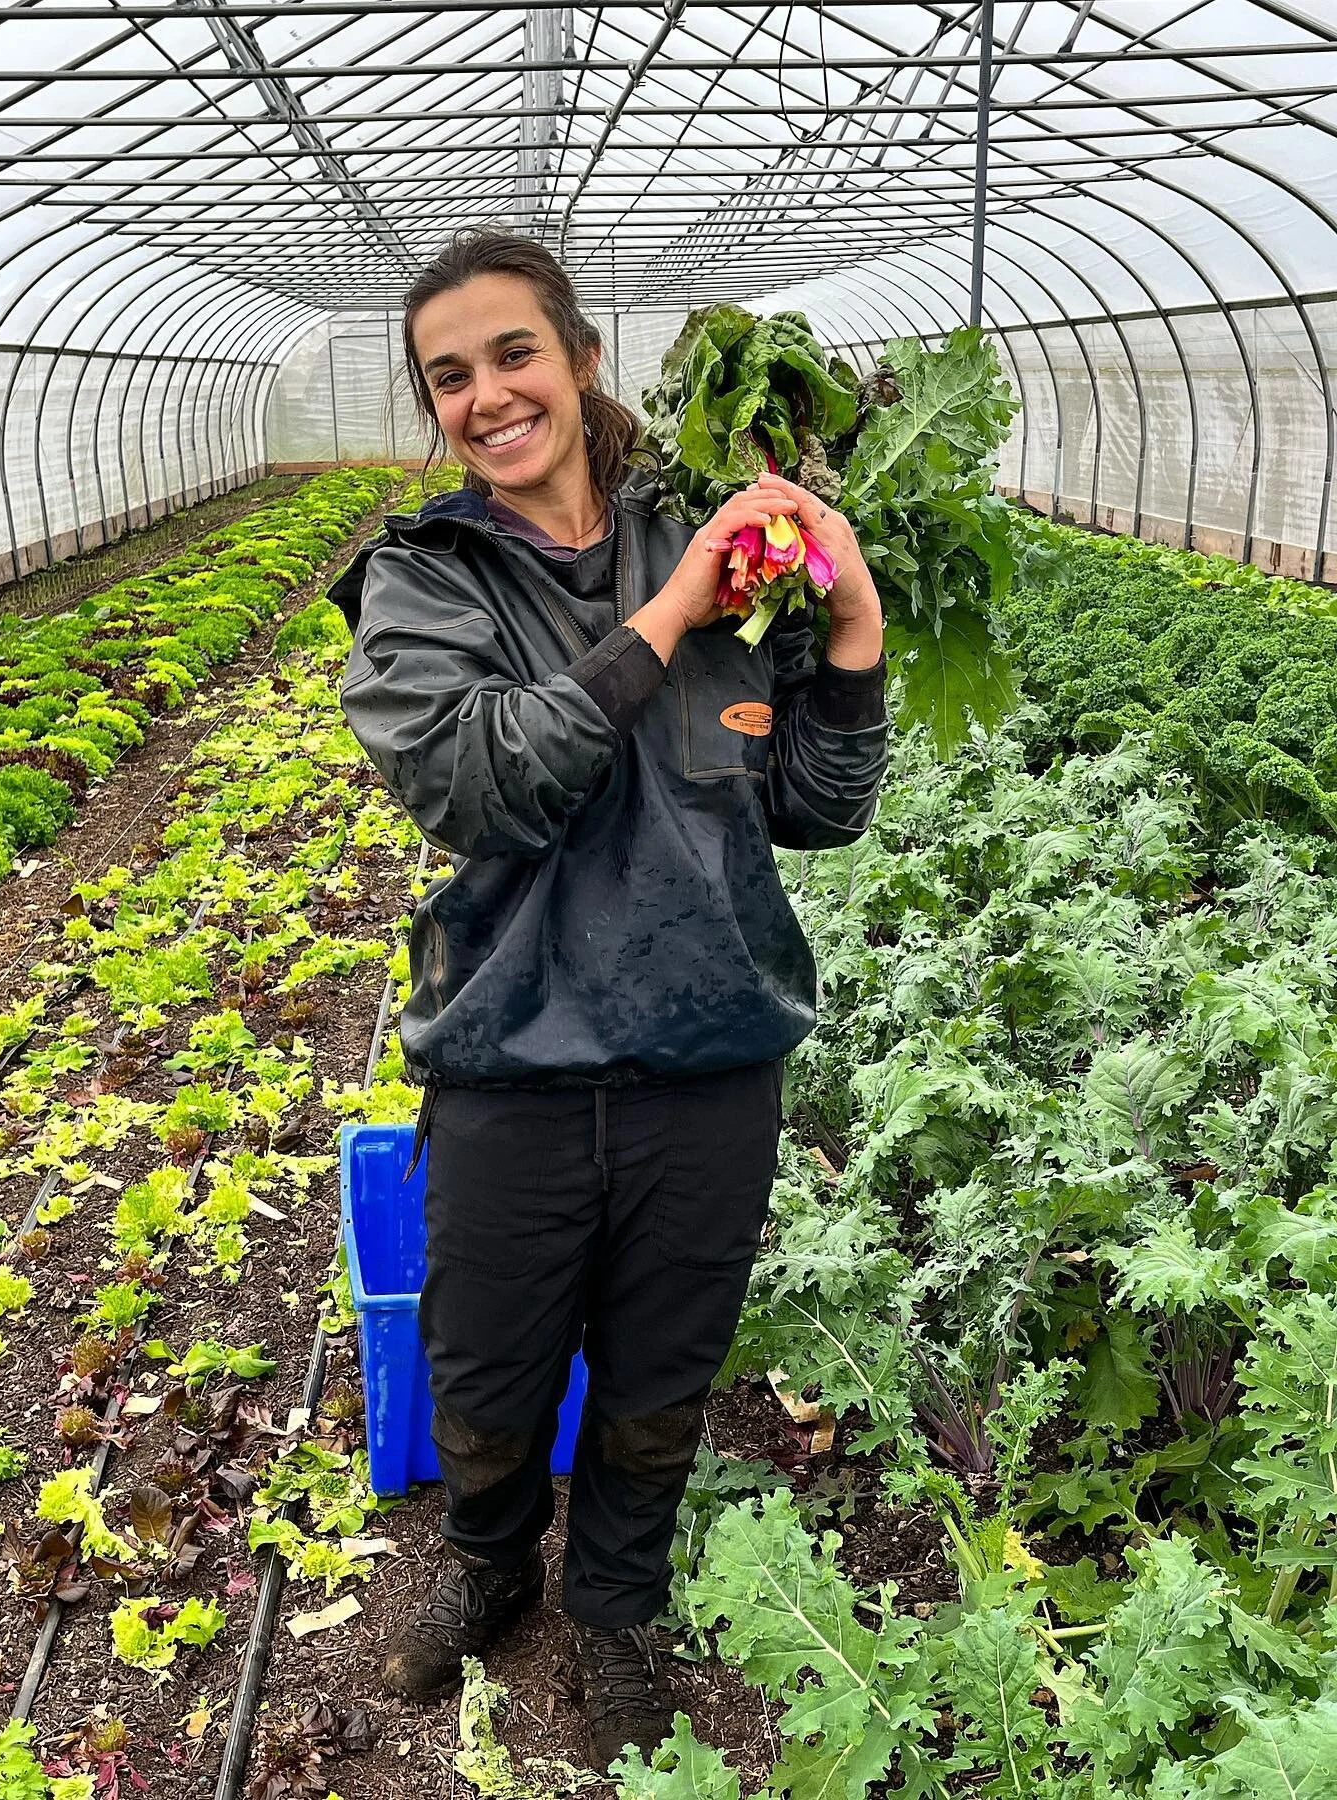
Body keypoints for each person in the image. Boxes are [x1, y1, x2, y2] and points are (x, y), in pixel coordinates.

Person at [334, 229, 887, 1768]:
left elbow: (808, 806)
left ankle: (616, 1608)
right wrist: (665, 619)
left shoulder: (707, 543)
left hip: (708, 1055)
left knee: (660, 1376)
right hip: (512, 1057)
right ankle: (491, 1561)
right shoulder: (424, 578)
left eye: (514, 353)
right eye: (449, 375)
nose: (486, 394)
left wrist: (849, 643)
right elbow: (479, 783)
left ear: (581, 360)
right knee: (487, 1376)